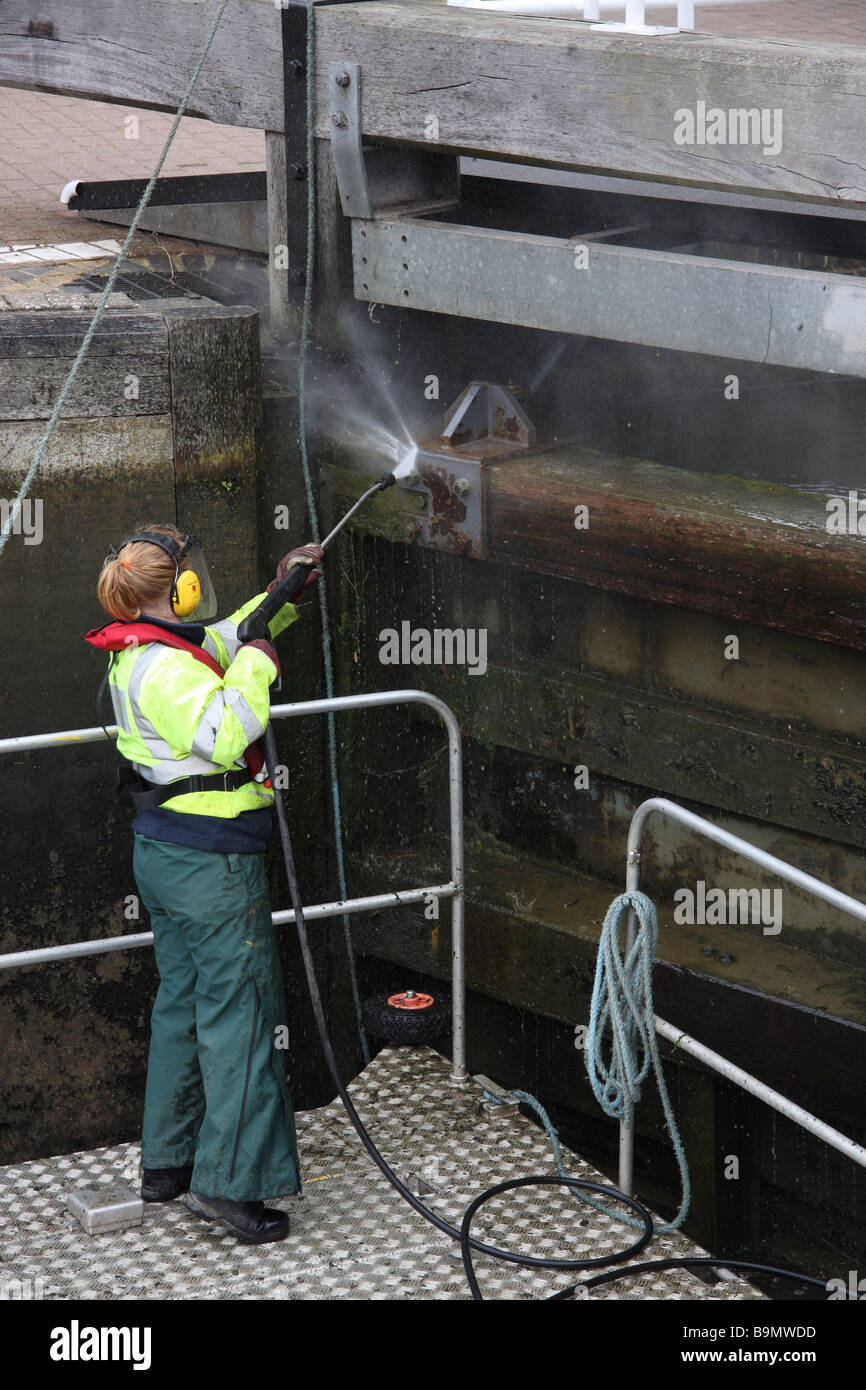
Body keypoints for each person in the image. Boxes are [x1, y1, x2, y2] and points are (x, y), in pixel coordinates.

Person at [85, 523, 323, 1244]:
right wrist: (258, 663)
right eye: (194, 572)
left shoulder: (148, 652)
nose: (202, 582)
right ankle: (230, 1187)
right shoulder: (168, 671)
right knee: (242, 1018)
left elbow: (224, 635)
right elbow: (227, 729)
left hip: (164, 856)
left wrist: (283, 590)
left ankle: (169, 1162)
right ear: (177, 585)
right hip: (213, 865)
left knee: (183, 1005)